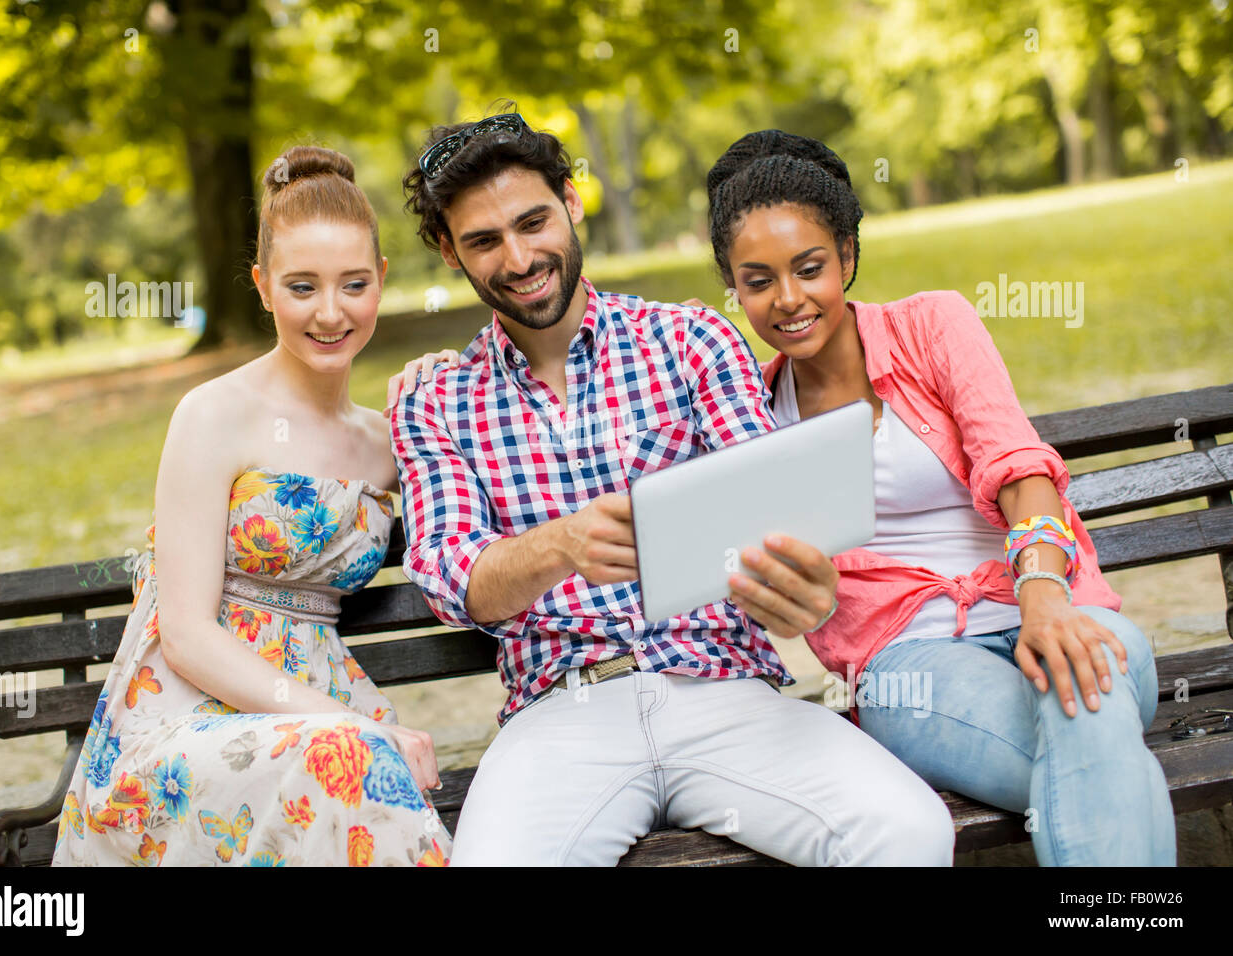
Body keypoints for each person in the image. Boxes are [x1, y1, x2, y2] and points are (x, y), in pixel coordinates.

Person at [391, 110, 955, 866]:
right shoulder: (436, 402)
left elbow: (775, 518)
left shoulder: (689, 340)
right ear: (446, 250)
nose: (521, 258)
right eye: (485, 241)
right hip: (563, 712)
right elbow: (456, 583)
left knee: (907, 830)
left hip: (724, 689)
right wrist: (559, 545)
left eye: (534, 222)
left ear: (572, 199)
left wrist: (803, 590)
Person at [703, 129, 1175, 865]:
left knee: (1085, 708)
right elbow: (779, 591)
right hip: (911, 665)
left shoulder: (932, 325)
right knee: (1100, 745)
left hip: (1049, 602)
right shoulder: (750, 415)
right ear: (734, 287)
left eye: (809, 268)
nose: (788, 300)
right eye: (759, 281)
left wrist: (1045, 600)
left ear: (848, 258)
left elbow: (1019, 467)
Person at [52, 146, 456, 867]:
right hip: (184, 714)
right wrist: (343, 722)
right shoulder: (213, 415)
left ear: (382, 282)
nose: (331, 313)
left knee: (351, 769)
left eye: (353, 285)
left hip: (318, 711)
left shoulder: (386, 438)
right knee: (350, 757)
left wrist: (439, 383)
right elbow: (184, 633)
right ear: (263, 286)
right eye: (302, 287)